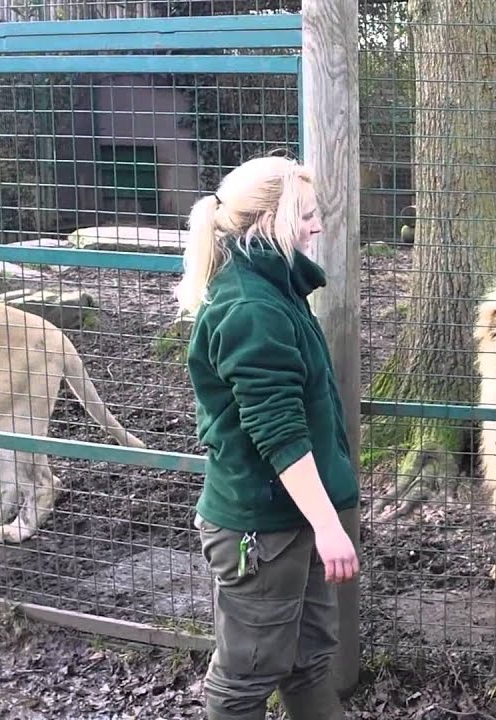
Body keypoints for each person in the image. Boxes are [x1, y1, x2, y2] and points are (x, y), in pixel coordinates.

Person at [176, 155, 360, 720]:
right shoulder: (252, 308)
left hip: (290, 517)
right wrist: (330, 526)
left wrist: (321, 518)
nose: (319, 226)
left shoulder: (273, 289)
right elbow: (277, 433)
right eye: (306, 215)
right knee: (245, 678)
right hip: (261, 528)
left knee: (307, 660)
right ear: (268, 224)